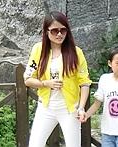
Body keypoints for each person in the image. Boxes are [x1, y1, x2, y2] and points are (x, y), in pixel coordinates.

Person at [24, 12, 92, 147]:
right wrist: (45, 83)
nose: (59, 34)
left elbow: (84, 82)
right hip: (46, 107)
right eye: (55, 31)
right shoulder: (38, 50)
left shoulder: (76, 52)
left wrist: (81, 107)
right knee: (35, 144)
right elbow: (28, 79)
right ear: (46, 31)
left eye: (63, 30)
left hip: (69, 108)